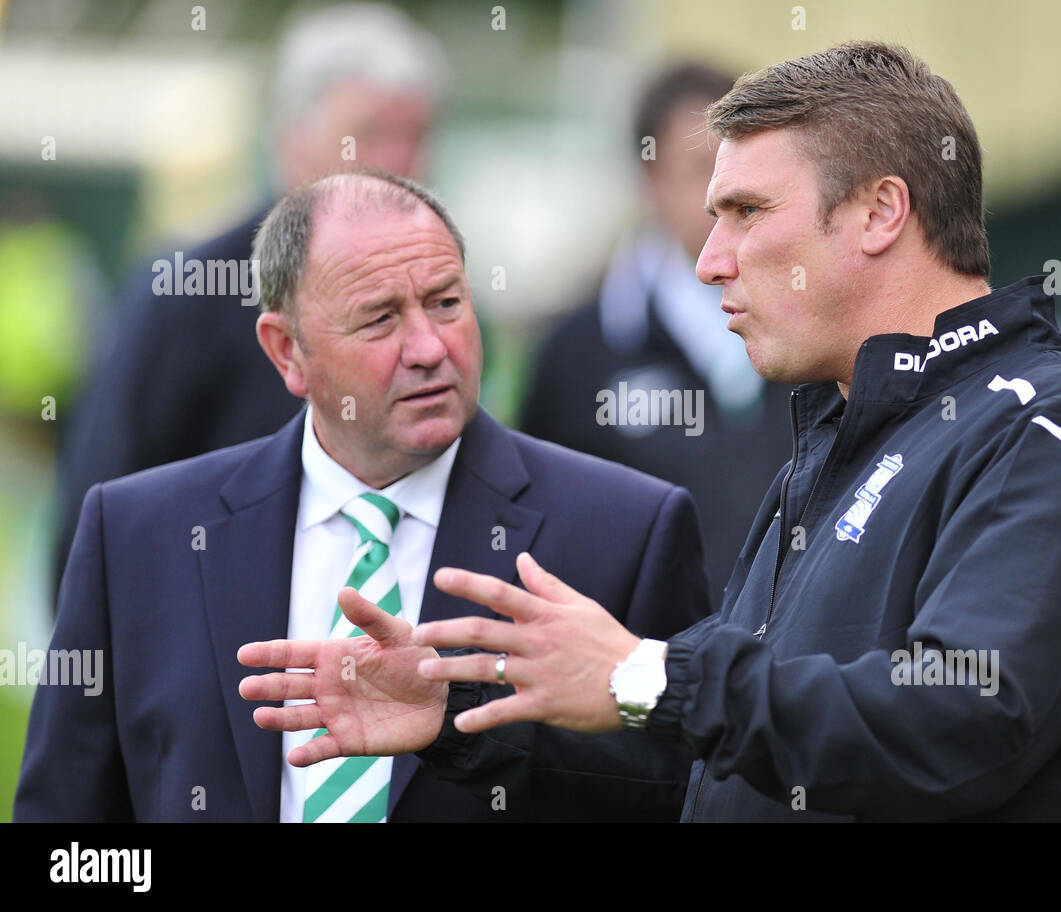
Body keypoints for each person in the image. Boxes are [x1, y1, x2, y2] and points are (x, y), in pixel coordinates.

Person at [238, 42, 1061, 822]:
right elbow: (724, 772)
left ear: (880, 211)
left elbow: (961, 726)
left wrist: (652, 671)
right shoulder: (834, 440)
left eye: (744, 213)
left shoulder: (1057, 437)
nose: (708, 261)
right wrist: (467, 719)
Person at [14, 170, 709, 822]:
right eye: (379, 318)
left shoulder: (625, 530)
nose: (429, 347)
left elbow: (683, 793)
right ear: (287, 351)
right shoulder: (138, 533)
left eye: (445, 303)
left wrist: (467, 725)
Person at [51, 3, 449, 606]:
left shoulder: (441, 293)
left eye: (415, 136)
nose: (399, 163)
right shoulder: (187, 291)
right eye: (369, 134)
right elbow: (97, 510)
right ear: (292, 137)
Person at [519, 63, 792, 610]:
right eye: (700, 170)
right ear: (650, 181)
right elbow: (538, 530)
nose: (728, 196)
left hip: (790, 677)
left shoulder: (823, 333)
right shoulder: (577, 353)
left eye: (743, 172)